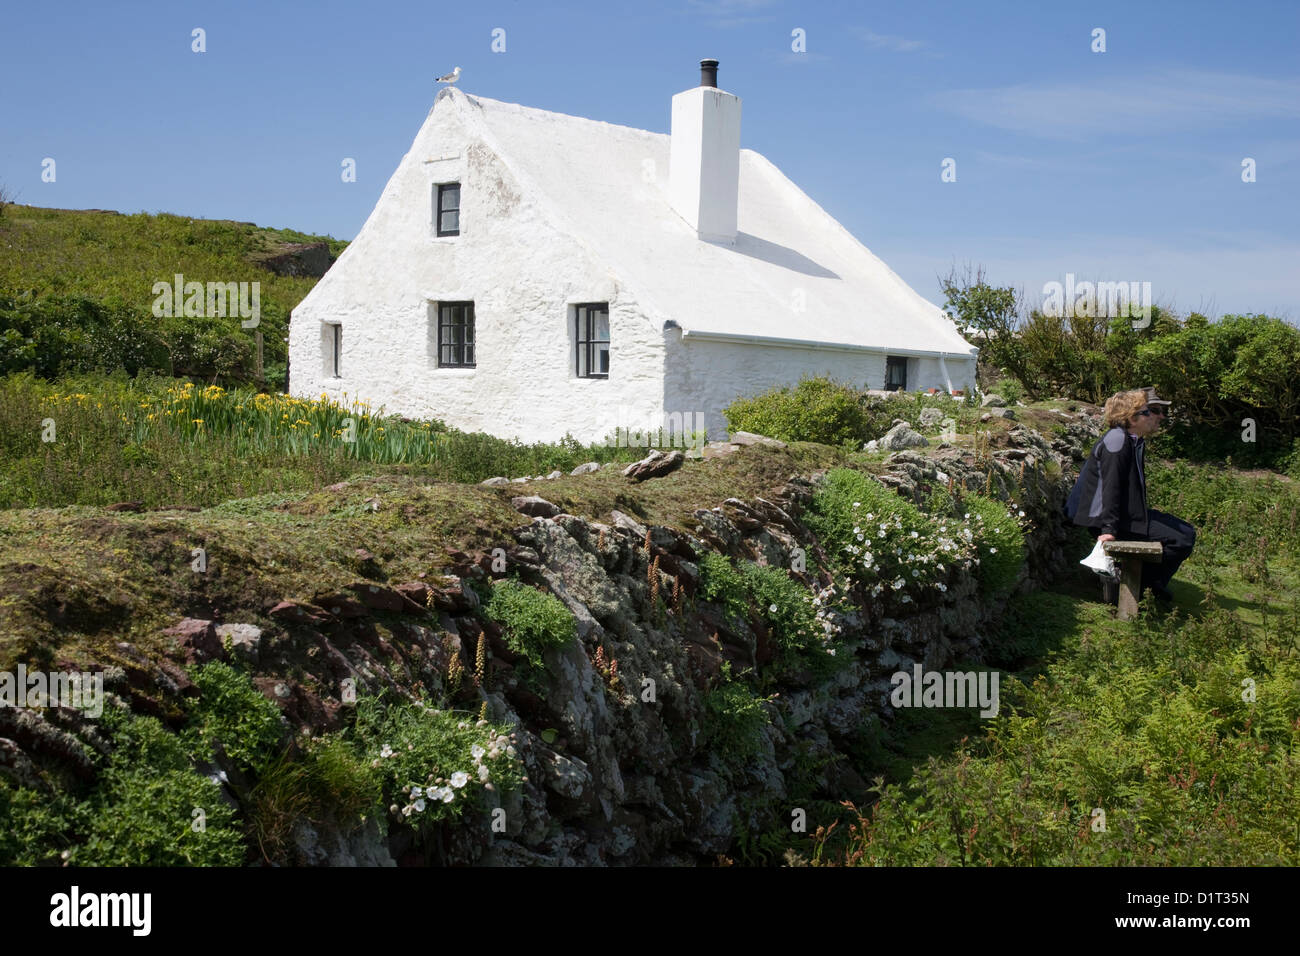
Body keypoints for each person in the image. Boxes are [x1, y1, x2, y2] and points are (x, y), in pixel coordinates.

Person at [1064, 387, 1196, 603]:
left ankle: (1145, 585)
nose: (1158, 416)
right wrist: (1108, 530)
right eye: (1147, 412)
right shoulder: (1117, 440)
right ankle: (1136, 589)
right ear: (1131, 418)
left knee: (1185, 532)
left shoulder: (1132, 440)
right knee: (1181, 538)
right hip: (1104, 519)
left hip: (1121, 515)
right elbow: (1111, 487)